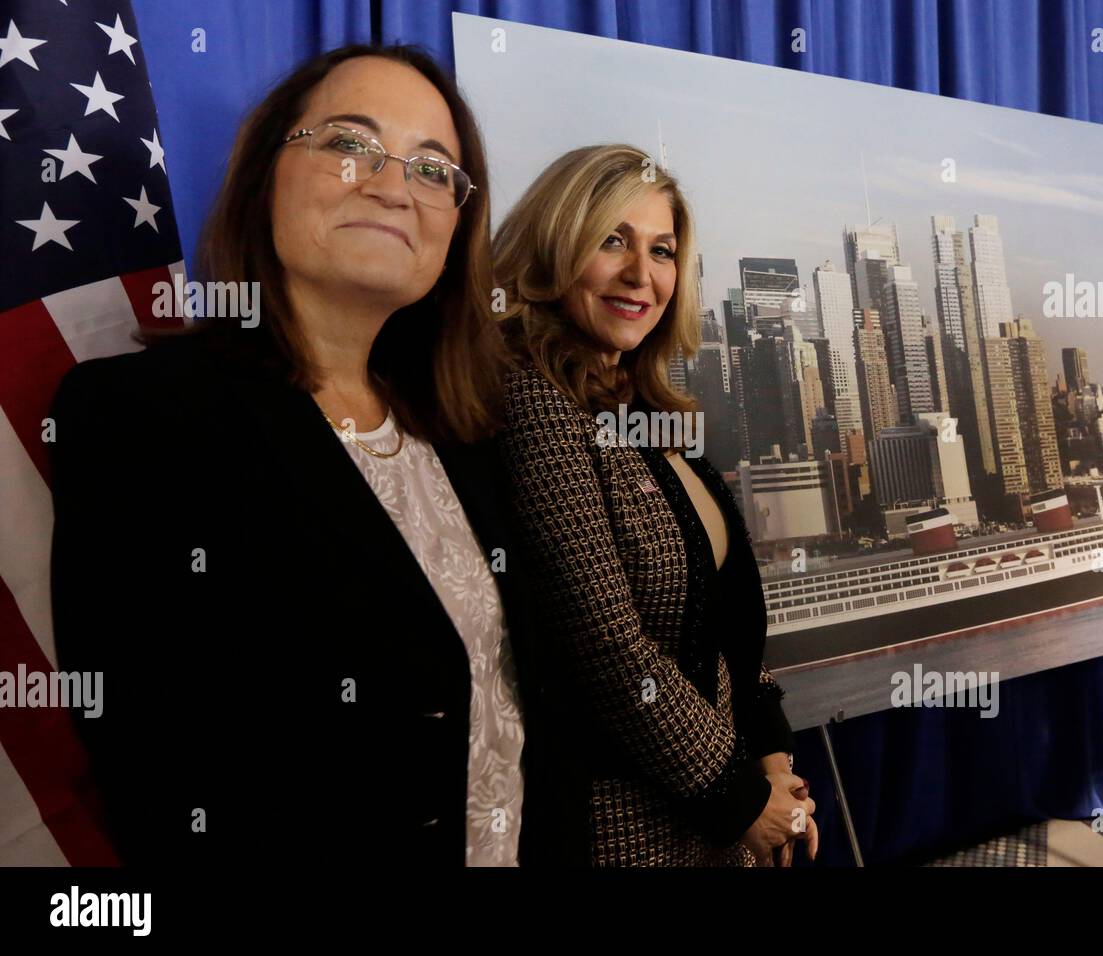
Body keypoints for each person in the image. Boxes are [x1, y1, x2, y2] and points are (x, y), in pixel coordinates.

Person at [49, 44, 542, 867]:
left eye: (433, 168)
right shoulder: (143, 416)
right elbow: (160, 775)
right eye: (349, 144)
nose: (392, 184)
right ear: (262, 177)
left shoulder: (470, 436)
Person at [492, 144, 819, 866]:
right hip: (626, 827)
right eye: (613, 240)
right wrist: (739, 800)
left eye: (663, 250)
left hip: (717, 810)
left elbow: (724, 617)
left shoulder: (645, 405)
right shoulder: (534, 400)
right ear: (554, 244)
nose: (643, 274)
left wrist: (770, 762)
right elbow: (605, 646)